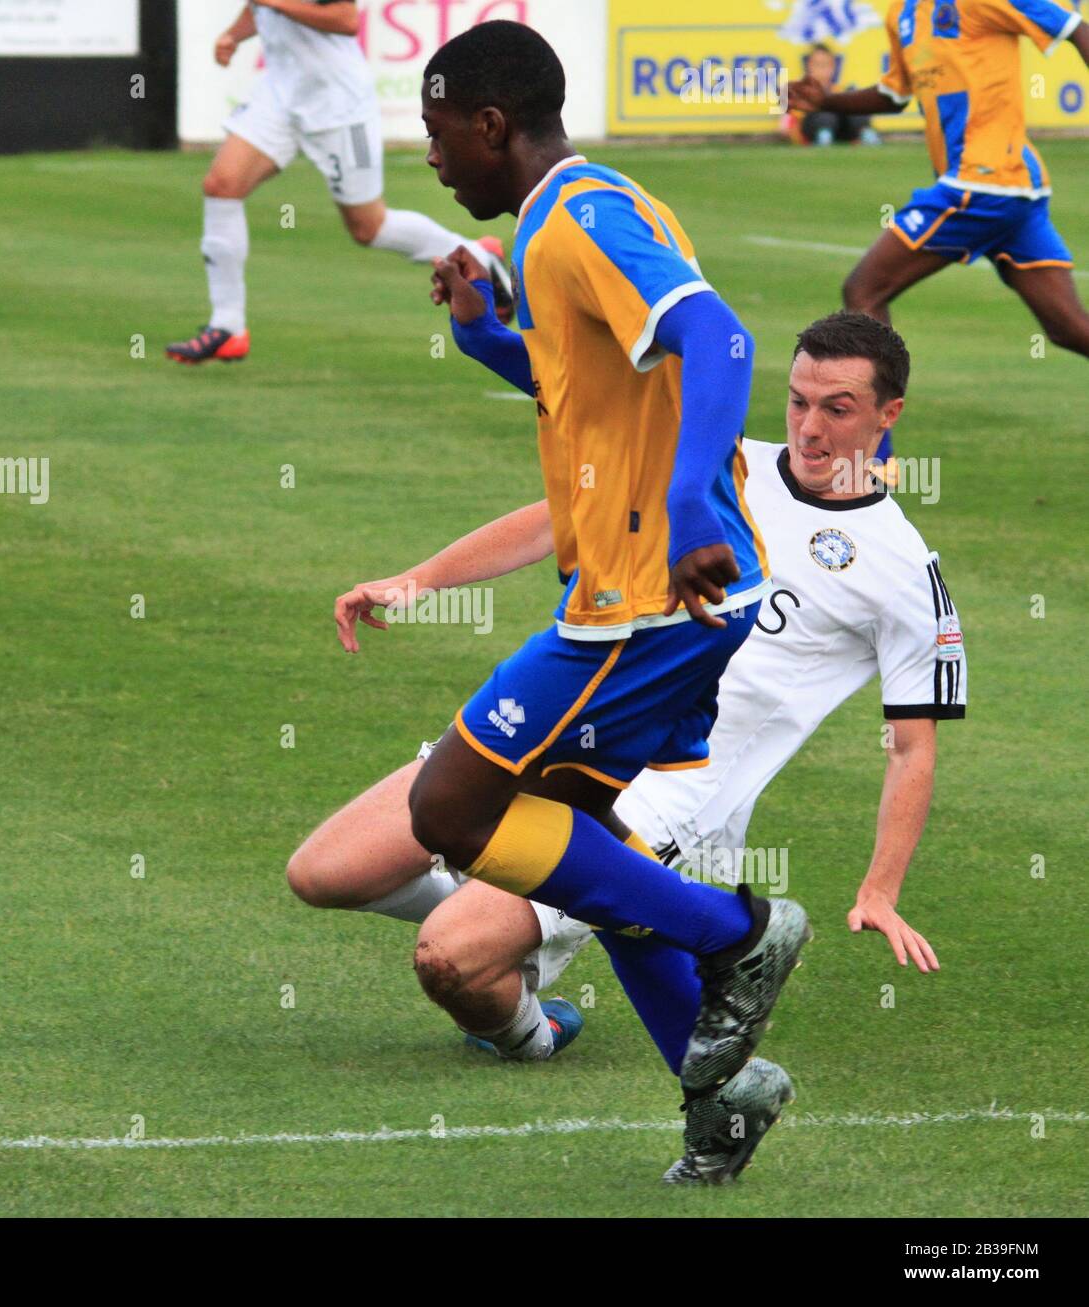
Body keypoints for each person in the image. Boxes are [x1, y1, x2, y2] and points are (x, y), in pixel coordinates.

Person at [308, 19, 815, 1185]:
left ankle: (738, 932)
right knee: (577, 852)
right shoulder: (548, 225)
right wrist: (488, 339)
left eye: (439, 138)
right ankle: (717, 1091)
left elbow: (716, 334)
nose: (431, 160)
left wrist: (691, 498)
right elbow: (586, 384)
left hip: (645, 601)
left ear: (493, 125)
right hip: (646, 595)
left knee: (450, 806)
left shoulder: (584, 211)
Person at [290, 311, 963, 1179]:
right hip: (566, 720)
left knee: (450, 959)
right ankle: (568, 918)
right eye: (798, 401)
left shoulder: (904, 568)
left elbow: (912, 745)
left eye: (838, 407)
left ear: (888, 415)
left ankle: (534, 1026)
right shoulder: (723, 463)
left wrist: (881, 887)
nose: (810, 427)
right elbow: (557, 516)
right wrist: (418, 578)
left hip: (673, 795)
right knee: (324, 872)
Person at [165, 0, 511, 365]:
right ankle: (228, 327)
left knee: (369, 228)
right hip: (279, 94)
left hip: (338, 104)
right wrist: (234, 36)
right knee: (222, 185)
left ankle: (477, 254)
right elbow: (259, 8)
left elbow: (345, 20)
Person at [787, 1, 1089, 363]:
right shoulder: (902, 13)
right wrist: (828, 100)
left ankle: (880, 420)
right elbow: (894, 95)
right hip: (1011, 188)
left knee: (864, 291)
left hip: (981, 182)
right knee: (1068, 329)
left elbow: (1074, 27)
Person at [790, 44, 880, 146]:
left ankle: (866, 134)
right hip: (814, 131)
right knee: (825, 111)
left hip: (842, 132)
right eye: (817, 65)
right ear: (809, 67)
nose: (821, 70)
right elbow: (789, 126)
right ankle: (823, 137)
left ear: (833, 67)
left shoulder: (842, 90)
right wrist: (803, 142)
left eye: (825, 65)